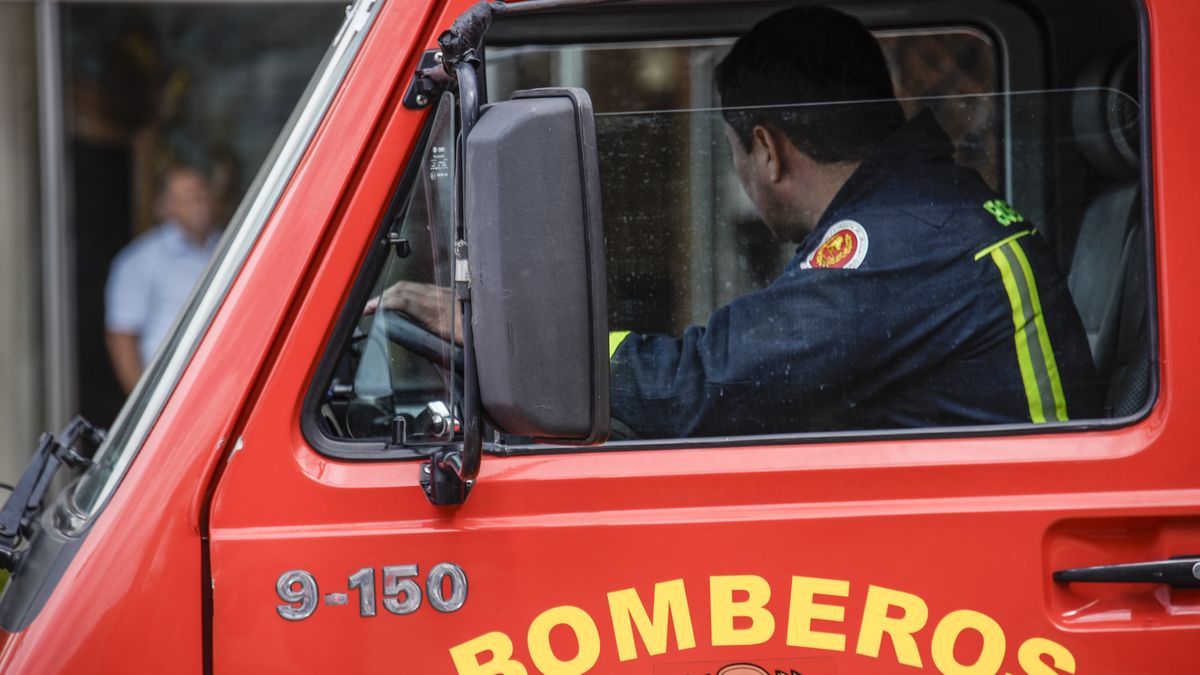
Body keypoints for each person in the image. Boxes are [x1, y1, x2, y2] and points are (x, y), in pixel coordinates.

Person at [373, 5, 1100, 438]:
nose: (743, 178)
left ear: (767, 150)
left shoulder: (902, 242)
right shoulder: (921, 214)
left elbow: (704, 387)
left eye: (732, 154)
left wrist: (514, 341)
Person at [105, 165, 219, 393]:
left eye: (200, 194)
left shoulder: (230, 245)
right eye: (186, 197)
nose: (197, 203)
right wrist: (141, 401)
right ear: (165, 206)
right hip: (171, 389)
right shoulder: (140, 259)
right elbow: (122, 335)